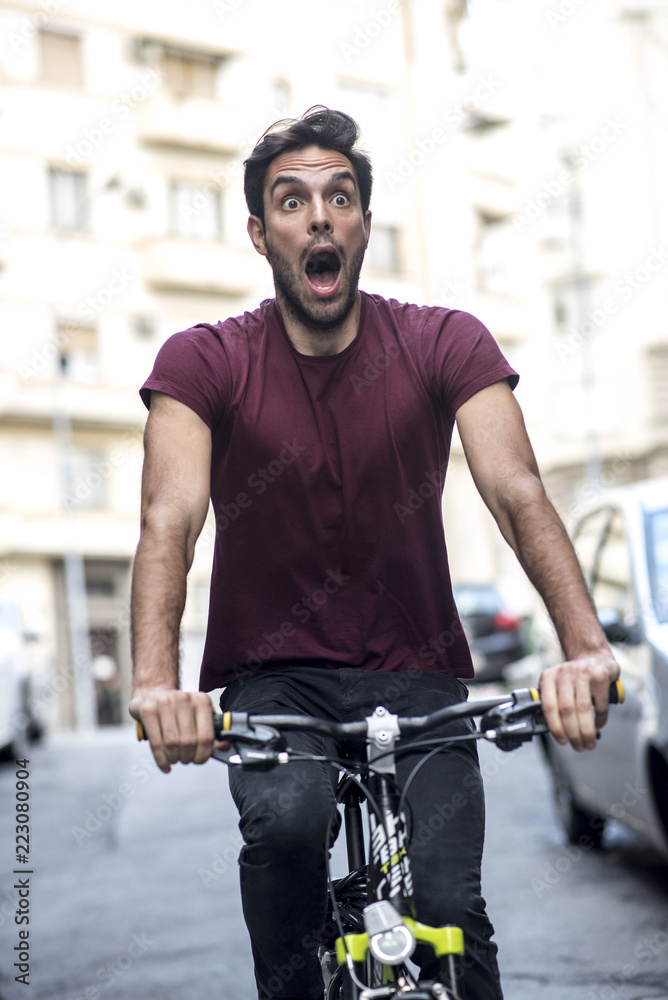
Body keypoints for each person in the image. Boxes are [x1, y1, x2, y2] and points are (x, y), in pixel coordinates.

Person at [129, 106, 619, 1000]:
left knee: (451, 908)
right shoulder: (206, 360)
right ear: (260, 233)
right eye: (292, 201)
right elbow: (170, 517)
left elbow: (517, 492)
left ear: (361, 223)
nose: (319, 216)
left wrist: (584, 650)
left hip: (418, 676)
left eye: (340, 197)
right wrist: (159, 685)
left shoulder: (443, 341)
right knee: (288, 831)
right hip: (277, 686)